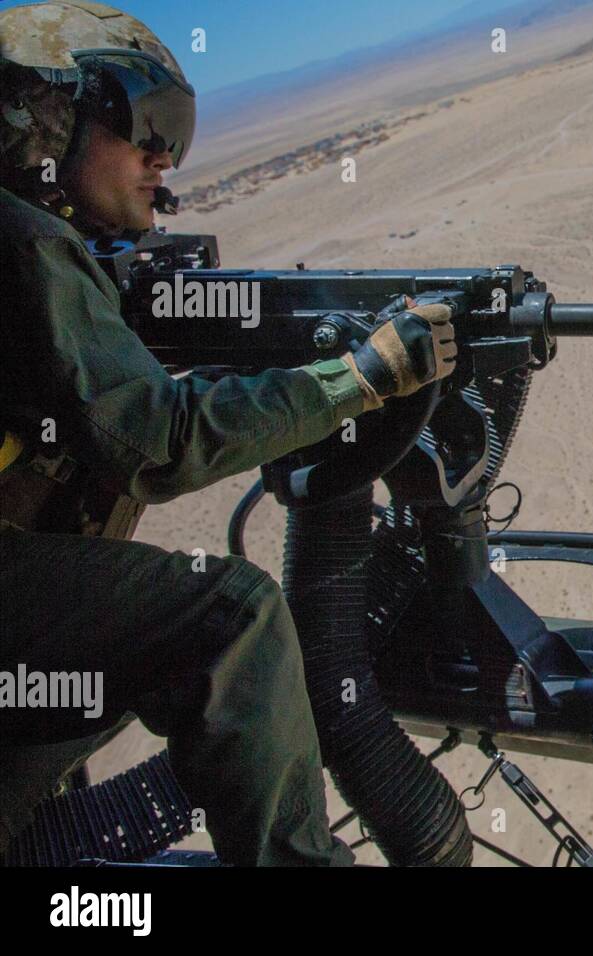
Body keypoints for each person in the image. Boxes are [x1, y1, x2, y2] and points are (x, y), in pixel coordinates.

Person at [0, 0, 456, 865]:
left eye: (180, 132)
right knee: (230, 616)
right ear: (49, 112)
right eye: (145, 120)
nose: (164, 156)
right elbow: (156, 444)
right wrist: (356, 379)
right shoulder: (22, 242)